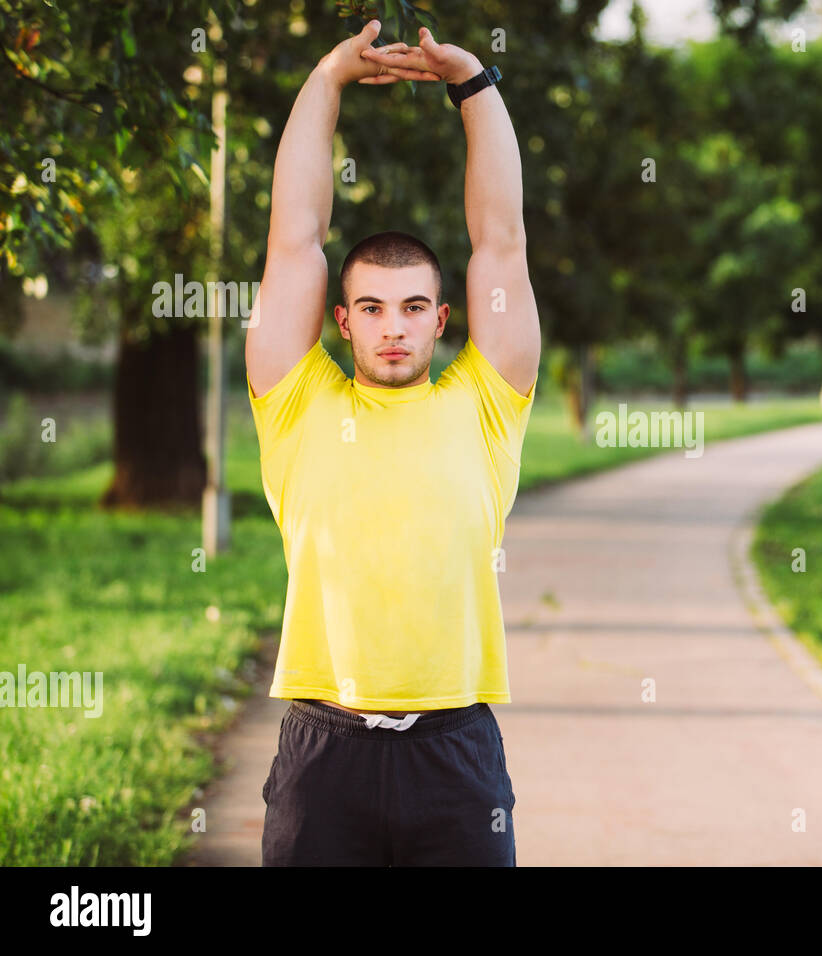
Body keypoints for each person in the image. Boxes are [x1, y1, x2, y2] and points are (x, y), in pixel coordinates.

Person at [245, 20, 540, 866]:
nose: (393, 328)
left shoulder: (486, 402)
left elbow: (501, 242)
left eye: (414, 307)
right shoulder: (297, 400)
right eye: (371, 308)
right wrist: (330, 76)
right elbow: (293, 239)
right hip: (321, 753)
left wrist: (476, 83)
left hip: (457, 757)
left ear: (443, 319)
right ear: (342, 321)